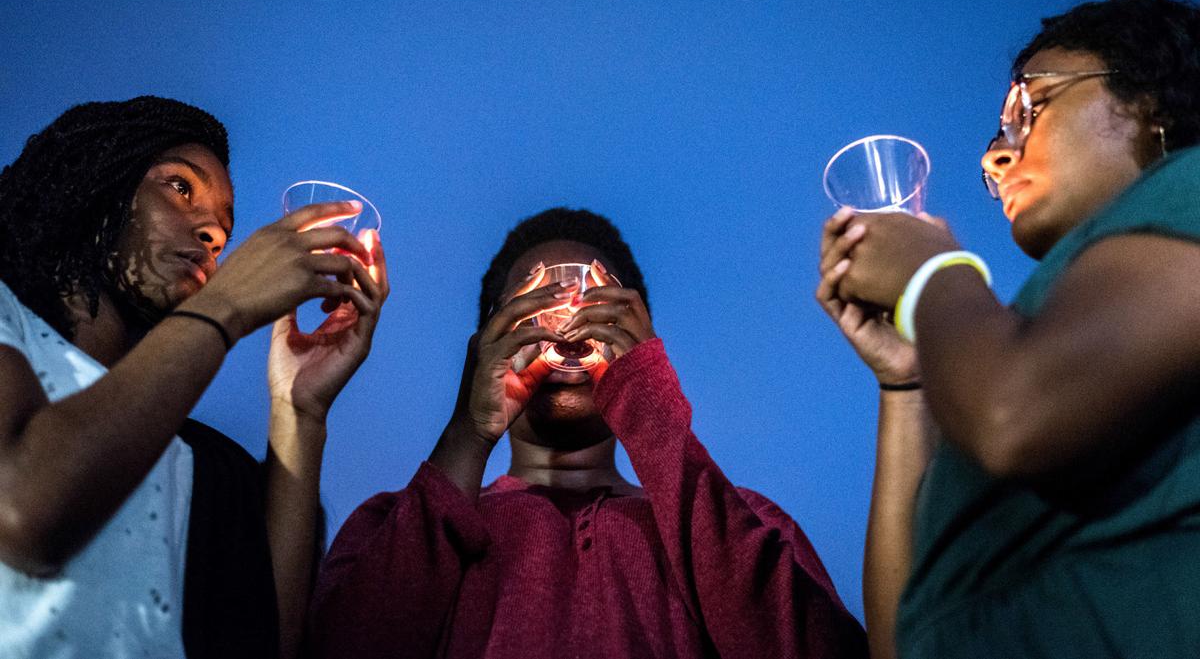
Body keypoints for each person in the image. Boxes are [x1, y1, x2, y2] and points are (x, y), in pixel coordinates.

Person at [816, 0, 1200, 658]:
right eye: (998, 133)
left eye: (1031, 104)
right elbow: (906, 636)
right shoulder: (1032, 335)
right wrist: (906, 380)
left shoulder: (1190, 191)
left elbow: (1015, 414)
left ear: (1150, 102)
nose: (996, 155)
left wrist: (932, 275)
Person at [309, 207, 867, 659]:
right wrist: (467, 433)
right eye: (535, 307)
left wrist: (650, 412)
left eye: (597, 304)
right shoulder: (393, 522)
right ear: (488, 342)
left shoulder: (748, 521)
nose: (568, 325)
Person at [0, 96, 389, 659]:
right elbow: (22, 511)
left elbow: (266, 640)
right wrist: (229, 304)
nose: (212, 232)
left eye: (227, 230)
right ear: (96, 181)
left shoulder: (203, 462)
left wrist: (298, 409)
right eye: (180, 187)